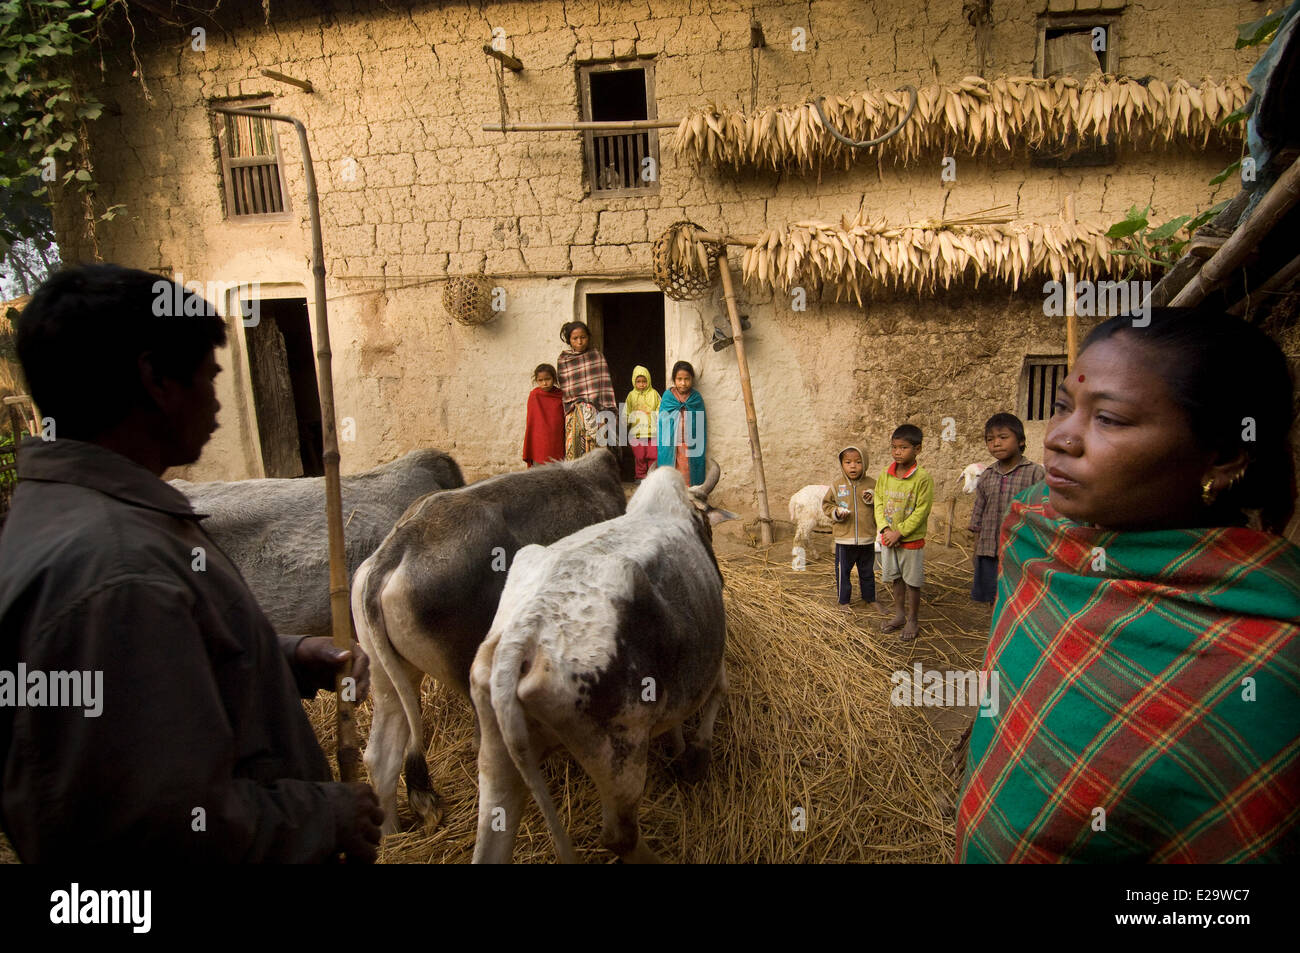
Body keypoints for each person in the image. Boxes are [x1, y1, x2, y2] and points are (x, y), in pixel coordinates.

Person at [0, 265, 383, 863]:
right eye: (209, 377)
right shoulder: (118, 568)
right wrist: (321, 814)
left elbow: (145, 689)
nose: (216, 404)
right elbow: (151, 826)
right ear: (155, 377)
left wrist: (276, 657)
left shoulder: (76, 519)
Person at [956, 307, 1300, 863]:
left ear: (1225, 455)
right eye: (1063, 406)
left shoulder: (1273, 661)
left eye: (1109, 419)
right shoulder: (1038, 541)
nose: (1062, 438)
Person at [967, 413, 1046, 604]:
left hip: (1022, 549)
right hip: (990, 549)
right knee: (993, 596)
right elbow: (979, 512)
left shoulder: (1035, 473)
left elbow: (1043, 513)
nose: (996, 443)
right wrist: (976, 547)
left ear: (1020, 441)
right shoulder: (987, 475)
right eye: (990, 439)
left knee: (1020, 596)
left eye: (1003, 437)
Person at [874, 424, 934, 642]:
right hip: (889, 539)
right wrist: (886, 529)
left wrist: (900, 532)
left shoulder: (922, 478)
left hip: (910, 541)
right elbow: (878, 502)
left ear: (917, 449)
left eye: (903, 448)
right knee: (896, 579)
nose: (897, 452)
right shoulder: (885, 474)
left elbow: (922, 510)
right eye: (894, 447)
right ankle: (899, 614)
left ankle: (912, 619)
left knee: (913, 582)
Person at [822, 446, 876, 610]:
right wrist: (836, 513)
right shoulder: (837, 486)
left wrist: (873, 497)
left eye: (858, 462)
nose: (853, 466)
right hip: (844, 539)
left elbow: (882, 502)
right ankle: (844, 601)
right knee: (843, 572)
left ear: (865, 463)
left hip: (867, 537)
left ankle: (870, 598)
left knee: (867, 571)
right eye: (848, 462)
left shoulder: (873, 484)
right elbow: (827, 505)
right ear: (842, 464)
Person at [556, 321, 616, 460]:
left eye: (583, 337)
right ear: (569, 340)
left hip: (597, 412)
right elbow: (566, 389)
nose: (579, 341)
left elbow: (604, 386)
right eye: (575, 338)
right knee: (575, 451)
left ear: (588, 338)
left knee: (598, 451)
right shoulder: (564, 360)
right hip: (574, 413)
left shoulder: (596, 356)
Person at [657, 360, 707, 486]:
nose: (683, 383)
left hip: (690, 445)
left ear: (692, 379)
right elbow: (663, 422)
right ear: (674, 379)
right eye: (679, 379)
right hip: (671, 444)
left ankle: (689, 499)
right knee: (671, 473)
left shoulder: (696, 398)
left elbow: (700, 424)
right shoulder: (668, 397)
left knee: (688, 474)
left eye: (687, 379)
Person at [522, 362, 565, 468]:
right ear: (536, 380)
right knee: (539, 469)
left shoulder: (560, 395)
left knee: (556, 466)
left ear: (554, 379)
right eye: (540, 380)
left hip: (557, 436)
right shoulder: (534, 395)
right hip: (539, 438)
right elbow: (532, 422)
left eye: (548, 379)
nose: (544, 383)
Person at [624, 364, 660, 481]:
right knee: (639, 457)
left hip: (652, 433)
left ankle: (652, 477)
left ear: (648, 380)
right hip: (637, 433)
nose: (641, 384)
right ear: (634, 381)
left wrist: (659, 419)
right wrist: (625, 422)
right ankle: (640, 478)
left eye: (644, 381)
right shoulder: (631, 396)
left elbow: (660, 408)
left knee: (653, 456)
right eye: (638, 381)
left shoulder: (654, 394)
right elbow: (626, 411)